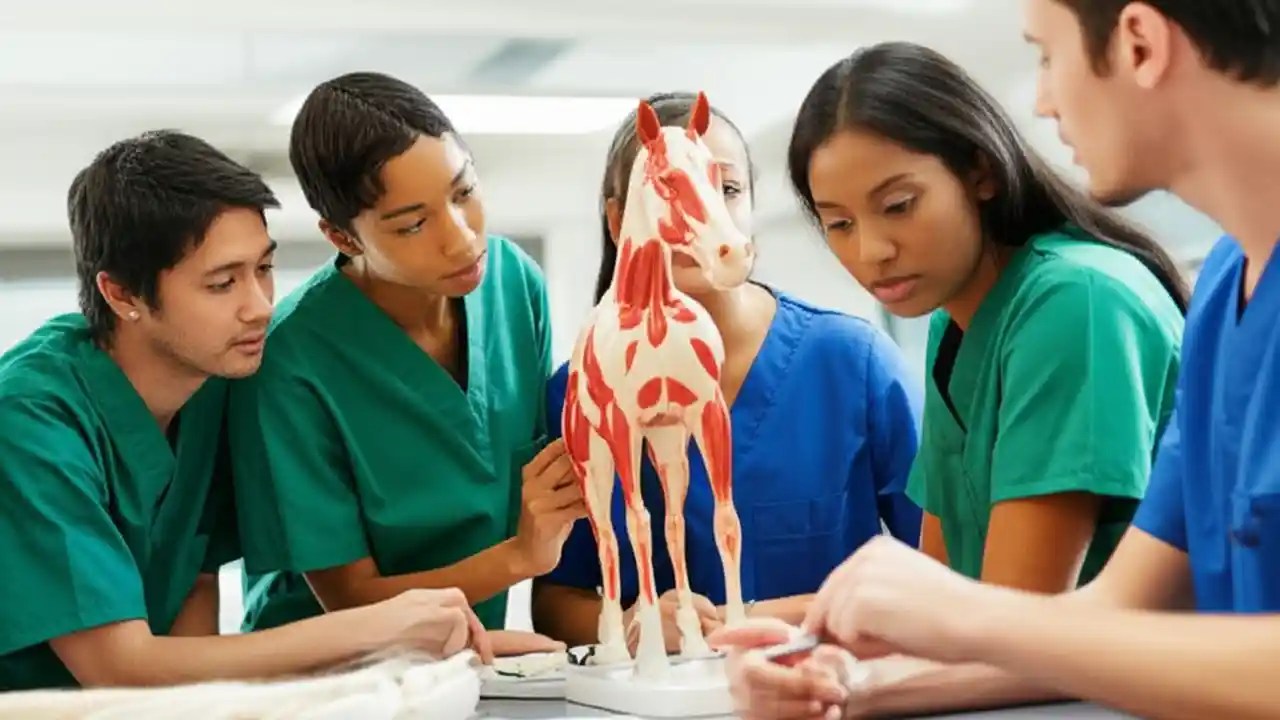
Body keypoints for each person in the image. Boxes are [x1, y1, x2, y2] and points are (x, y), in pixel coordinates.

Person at [717, 2, 1280, 718]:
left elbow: (1022, 617)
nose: (1041, 100)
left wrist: (949, 618)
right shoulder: (1231, 284)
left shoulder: (1078, 297)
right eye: (840, 224)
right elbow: (1107, 616)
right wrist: (841, 683)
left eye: (1047, 56)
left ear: (1138, 42)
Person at [0, 130, 488, 690]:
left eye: (263, 270)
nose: (259, 308)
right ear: (122, 295)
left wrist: (448, 652)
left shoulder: (212, 386)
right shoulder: (29, 420)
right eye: (222, 283)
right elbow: (119, 664)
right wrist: (376, 630)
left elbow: (192, 596)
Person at [530, 91, 924, 653]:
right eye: (668, 190)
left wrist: (758, 619)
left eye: (728, 188)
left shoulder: (853, 363)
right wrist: (637, 622)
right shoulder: (578, 391)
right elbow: (556, 598)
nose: (702, 209)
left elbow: (944, 569)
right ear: (619, 221)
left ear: (750, 211)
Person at [227, 71, 579, 656]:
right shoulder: (291, 362)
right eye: (413, 224)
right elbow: (347, 599)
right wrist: (518, 557)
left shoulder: (515, 283)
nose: (461, 238)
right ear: (343, 236)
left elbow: (540, 486)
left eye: (464, 192)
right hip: (327, 675)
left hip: (466, 656)